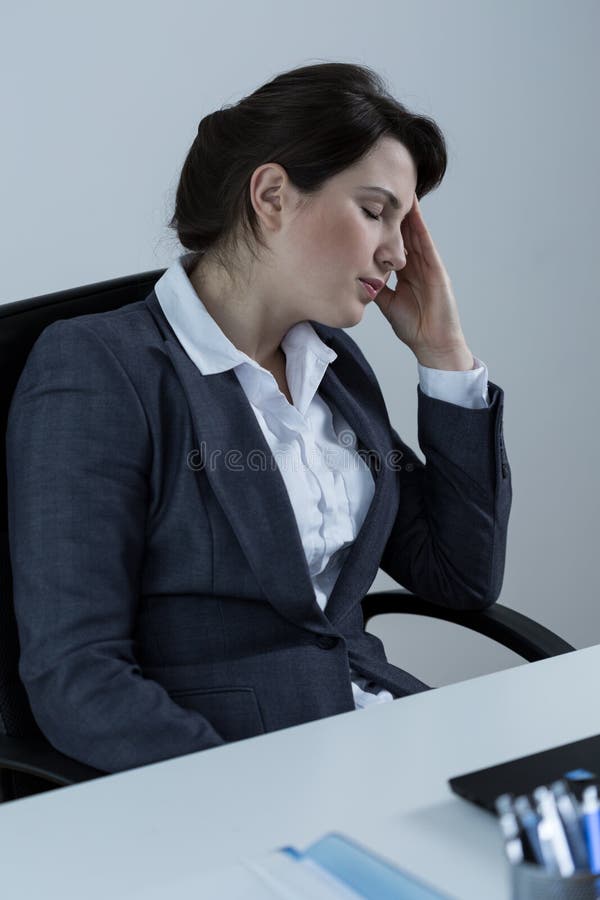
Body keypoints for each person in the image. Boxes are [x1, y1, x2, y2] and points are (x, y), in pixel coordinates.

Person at [6, 62, 512, 774]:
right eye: (375, 212)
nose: (398, 255)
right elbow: (76, 678)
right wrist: (235, 797)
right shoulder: (100, 369)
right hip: (237, 773)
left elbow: (460, 575)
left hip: (381, 735)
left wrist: (443, 353)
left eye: (403, 223)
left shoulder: (332, 368)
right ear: (272, 195)